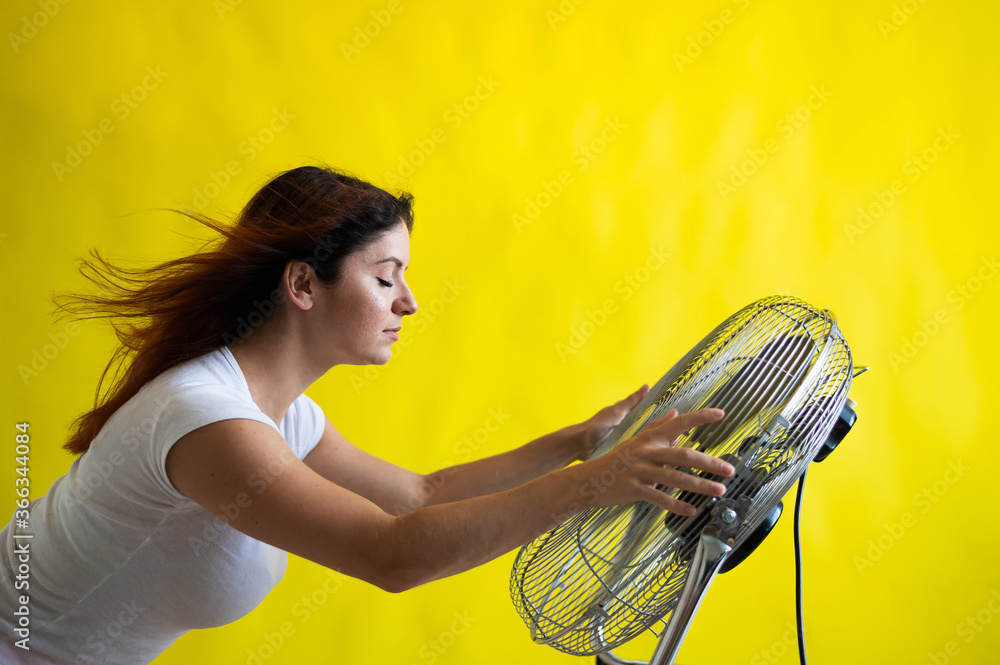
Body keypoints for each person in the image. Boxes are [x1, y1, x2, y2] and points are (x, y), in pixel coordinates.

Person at [0, 165, 733, 664]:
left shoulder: (284, 416)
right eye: (386, 277)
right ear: (301, 285)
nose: (408, 302)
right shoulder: (209, 421)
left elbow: (418, 495)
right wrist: (597, 482)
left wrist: (578, 443)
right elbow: (392, 553)